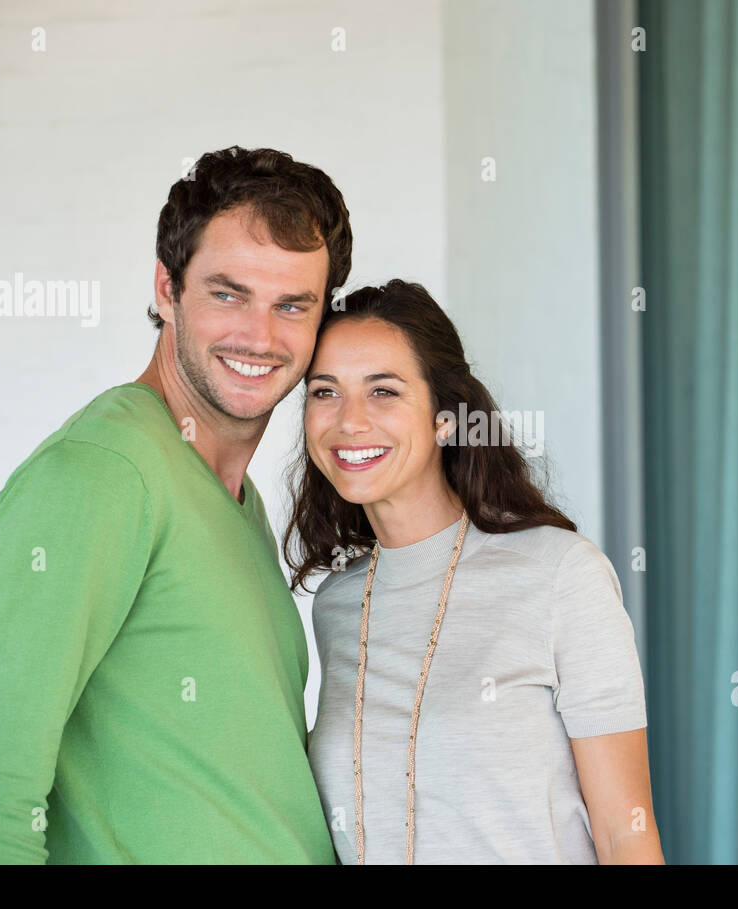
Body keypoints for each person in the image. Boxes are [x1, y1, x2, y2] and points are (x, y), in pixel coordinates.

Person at [0, 146, 351, 863]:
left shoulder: (235, 500)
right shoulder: (102, 471)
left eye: (291, 305)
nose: (260, 335)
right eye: (228, 293)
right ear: (166, 288)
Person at [285, 280, 665, 864]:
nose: (350, 421)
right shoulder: (338, 602)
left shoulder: (560, 574)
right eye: (325, 391)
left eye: (383, 391)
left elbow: (626, 834)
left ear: (444, 419)